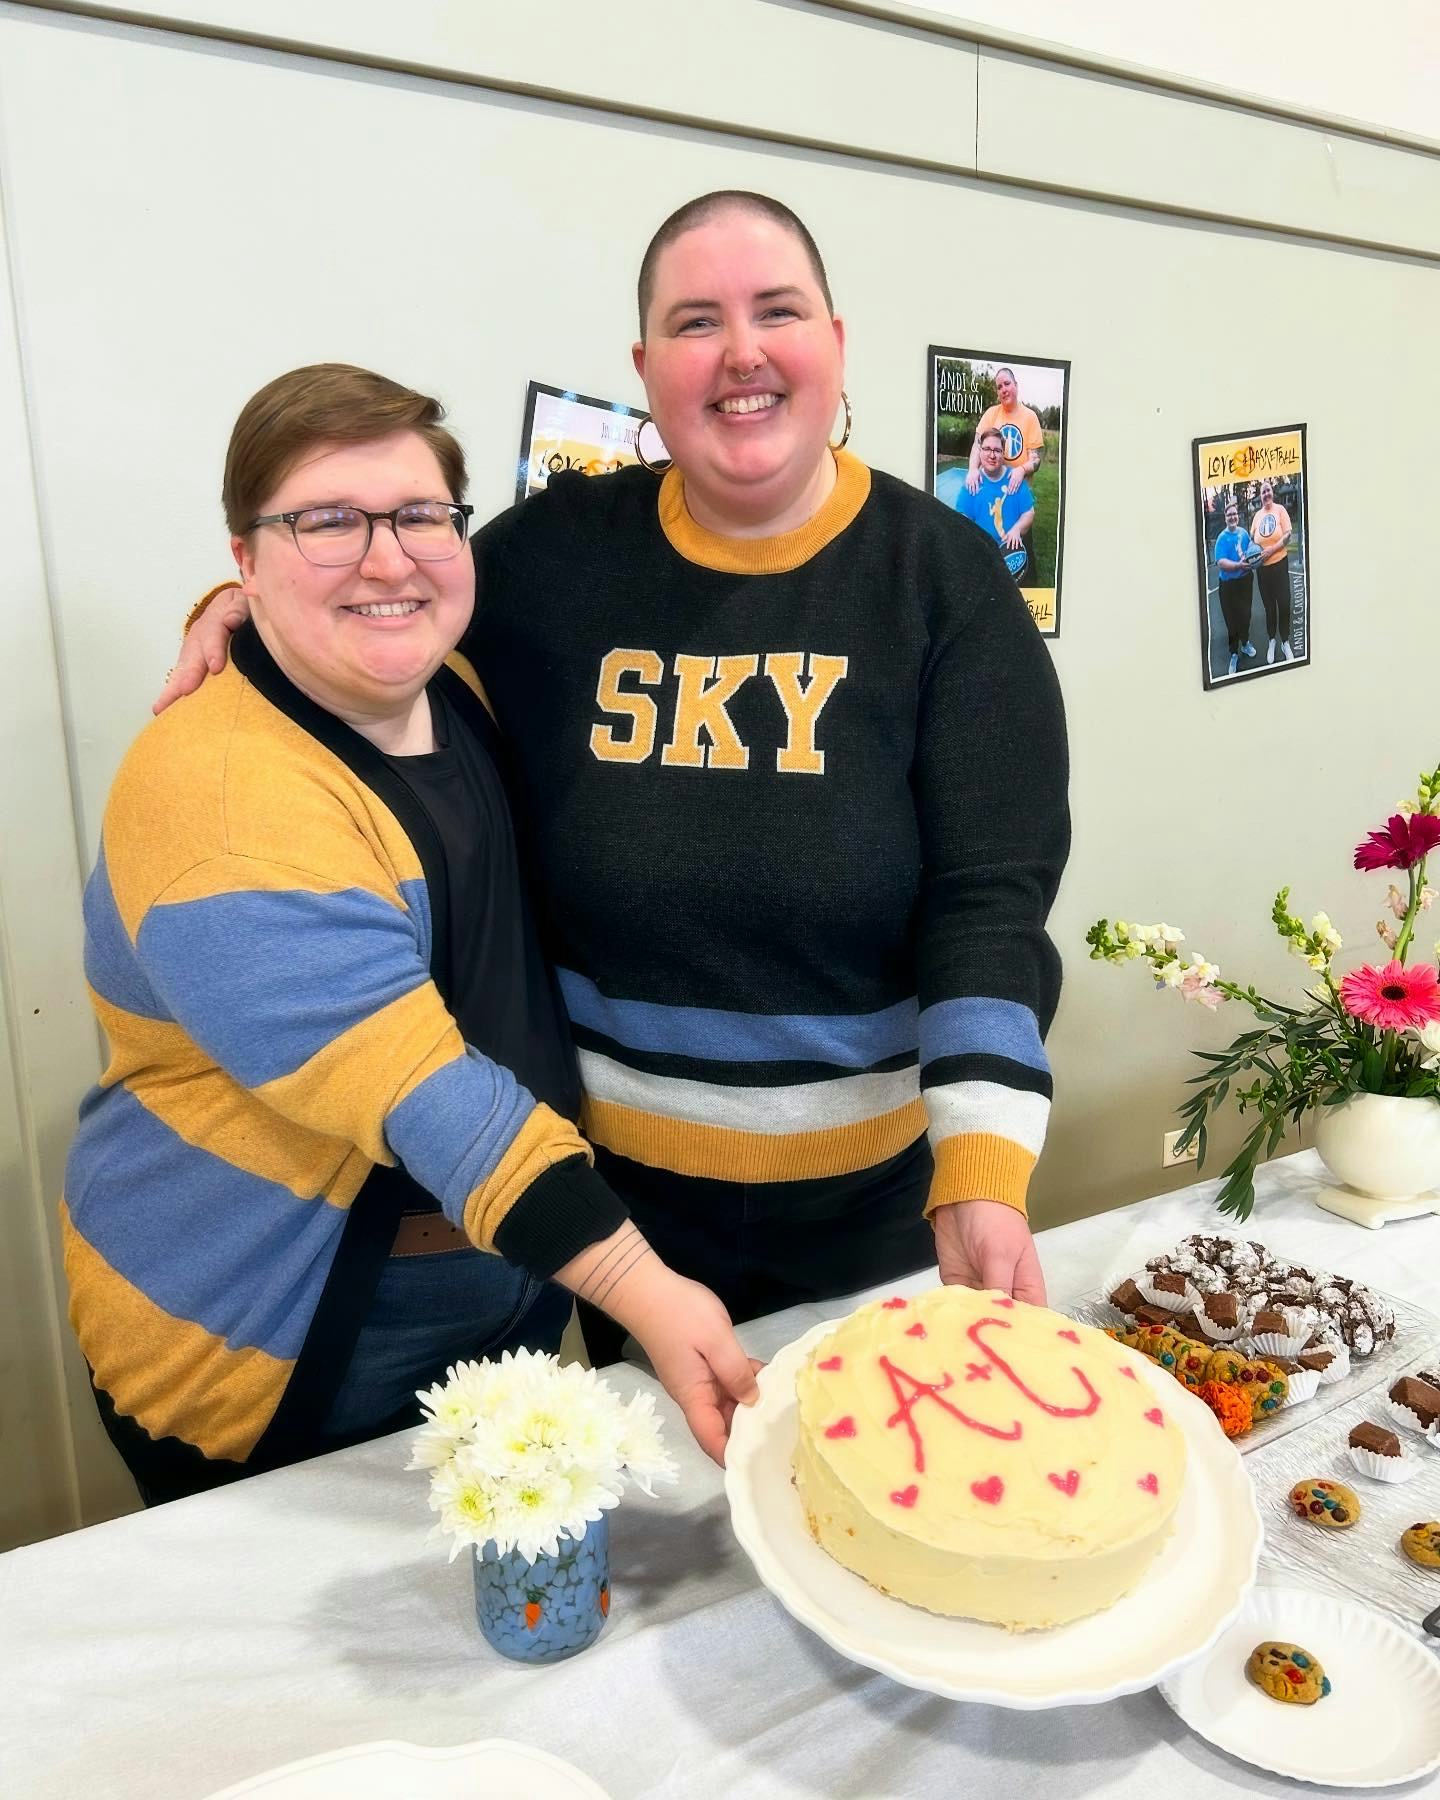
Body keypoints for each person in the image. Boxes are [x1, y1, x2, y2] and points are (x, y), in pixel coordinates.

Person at [158, 191, 1069, 1350]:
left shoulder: (944, 579)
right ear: (646, 368)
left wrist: (982, 1162)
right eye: (696, 323)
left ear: (835, 346)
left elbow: (990, 895)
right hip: (616, 1204)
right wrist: (240, 606)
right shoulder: (555, 554)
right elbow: (388, 606)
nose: (739, 352)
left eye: (775, 311)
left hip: (879, 1200)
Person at [65, 363, 757, 1503]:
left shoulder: (459, 685)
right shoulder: (221, 795)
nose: (388, 557)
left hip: (515, 1255)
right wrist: (642, 1286)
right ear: (245, 557)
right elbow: (421, 1087)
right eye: (326, 521)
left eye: (419, 515)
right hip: (280, 1327)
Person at [937, 427, 1035, 582]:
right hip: (982, 558)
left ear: (1003, 454)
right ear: (980, 452)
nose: (992, 454)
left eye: (997, 450)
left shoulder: (1014, 478)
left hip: (1011, 556)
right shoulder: (972, 483)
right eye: (987, 449)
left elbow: (1029, 513)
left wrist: (1017, 529)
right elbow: (962, 519)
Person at [964, 366, 1044, 497]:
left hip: (1018, 494)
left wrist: (1022, 470)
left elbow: (1036, 460)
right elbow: (977, 446)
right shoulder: (991, 413)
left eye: (1007, 384)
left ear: (1016, 385)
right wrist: (972, 469)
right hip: (990, 489)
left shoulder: (1030, 417)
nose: (1003, 390)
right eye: (999, 387)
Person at [1212, 497, 1261, 675]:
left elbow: (1251, 551)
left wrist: (1256, 559)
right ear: (1225, 518)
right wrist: (1238, 566)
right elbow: (1221, 562)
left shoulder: (1243, 533)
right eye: (1229, 515)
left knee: (1245, 615)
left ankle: (1246, 643)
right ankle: (1234, 653)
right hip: (1228, 585)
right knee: (1231, 621)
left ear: (1237, 516)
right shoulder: (1222, 539)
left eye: (1234, 514)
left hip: (1245, 581)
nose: (1232, 517)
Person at [1249, 478, 1295, 663]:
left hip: (1279, 564)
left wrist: (1271, 550)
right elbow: (1252, 539)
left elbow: (1287, 535)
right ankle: (1271, 641)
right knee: (1269, 608)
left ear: (1272, 493)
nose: (1266, 494)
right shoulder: (1257, 517)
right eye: (1263, 492)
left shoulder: (1280, 510)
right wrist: (1253, 553)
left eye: (1268, 490)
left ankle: (1285, 641)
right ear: (1260, 497)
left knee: (1283, 604)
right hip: (1263, 571)